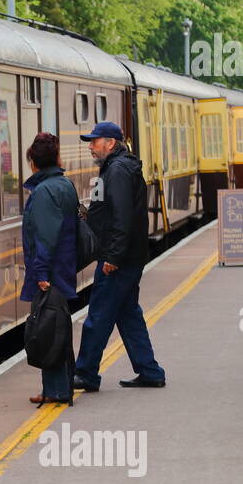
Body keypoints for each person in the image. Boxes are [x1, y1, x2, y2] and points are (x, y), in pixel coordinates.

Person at [74, 121, 166, 391]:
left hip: (119, 259)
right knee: (128, 315)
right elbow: (113, 213)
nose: (90, 147)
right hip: (127, 255)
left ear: (110, 143)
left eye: (94, 141)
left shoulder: (117, 171)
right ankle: (150, 371)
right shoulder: (116, 169)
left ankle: (86, 373)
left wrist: (113, 257)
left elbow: (123, 217)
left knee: (99, 314)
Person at [19, 133, 80, 405]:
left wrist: (41, 274)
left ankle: (55, 390)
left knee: (48, 327)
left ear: (33, 162)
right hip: (64, 264)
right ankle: (60, 386)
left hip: (50, 270)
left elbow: (45, 236)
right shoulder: (64, 184)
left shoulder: (44, 192)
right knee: (58, 326)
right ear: (56, 158)